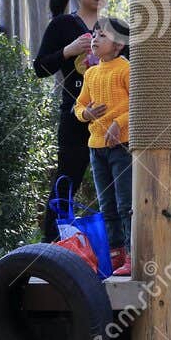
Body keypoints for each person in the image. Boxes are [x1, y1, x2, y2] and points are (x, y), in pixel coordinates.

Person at [32, 0, 113, 241]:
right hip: (75, 114)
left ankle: (117, 242)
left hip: (111, 117)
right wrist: (68, 51)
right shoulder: (63, 25)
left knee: (116, 180)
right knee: (69, 177)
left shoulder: (110, 27)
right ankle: (52, 241)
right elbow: (40, 67)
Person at [73, 17, 132, 276]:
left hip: (122, 146)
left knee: (125, 203)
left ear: (119, 45)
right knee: (106, 204)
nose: (95, 38)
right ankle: (115, 255)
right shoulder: (91, 73)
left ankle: (132, 254)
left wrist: (118, 123)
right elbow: (78, 106)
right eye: (94, 33)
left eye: (103, 36)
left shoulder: (126, 69)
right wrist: (86, 114)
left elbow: (137, 103)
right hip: (95, 146)